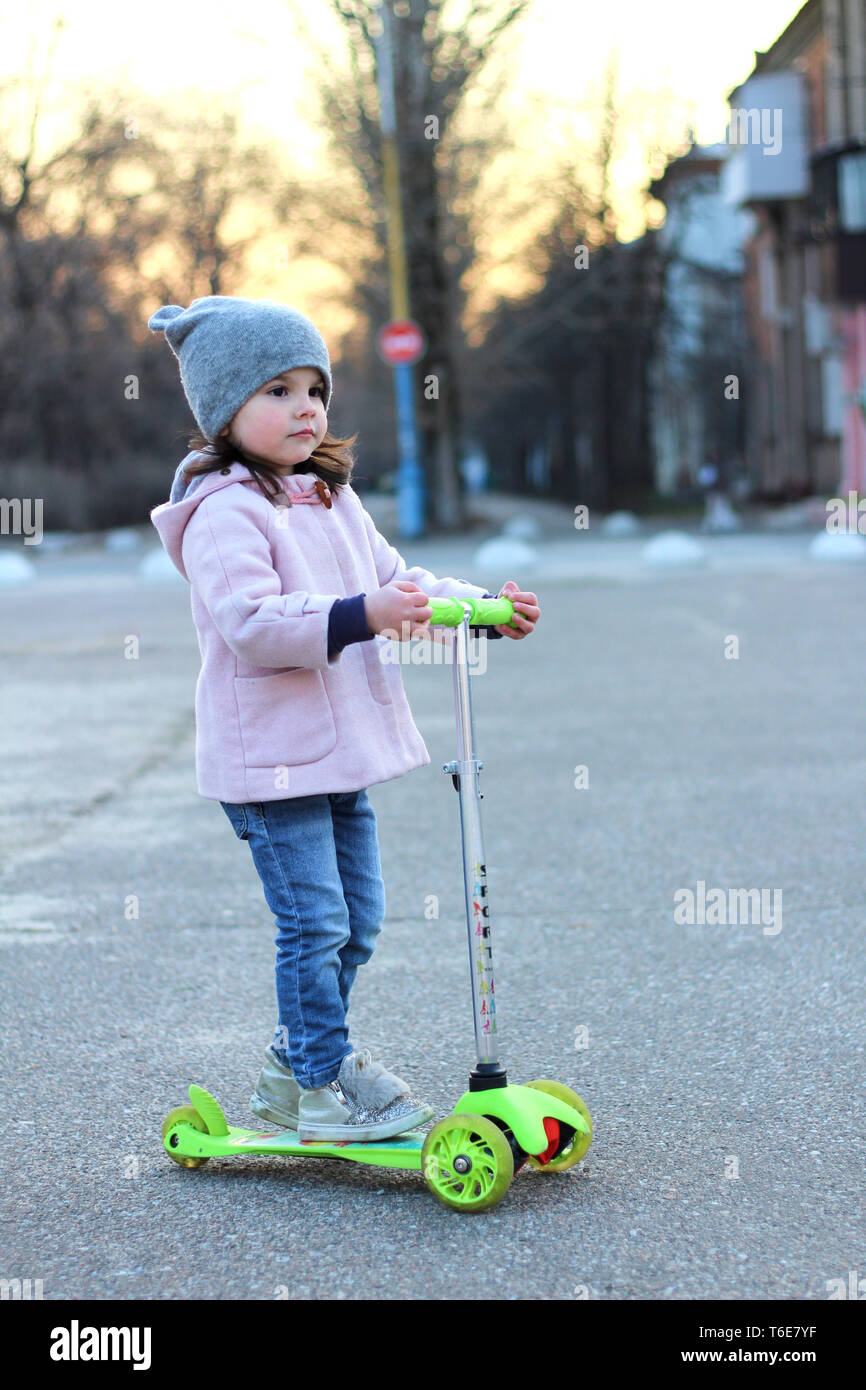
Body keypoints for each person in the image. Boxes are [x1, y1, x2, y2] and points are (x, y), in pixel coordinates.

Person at [148, 295, 540, 1143]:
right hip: (271, 764)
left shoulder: (330, 498)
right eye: (278, 392)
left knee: (357, 923)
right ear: (225, 412)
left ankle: (293, 1066)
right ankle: (320, 1080)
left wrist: (477, 609)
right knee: (314, 923)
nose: (305, 409)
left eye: (314, 390)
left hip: (336, 759)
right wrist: (362, 612)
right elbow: (253, 624)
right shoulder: (226, 512)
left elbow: (398, 580)